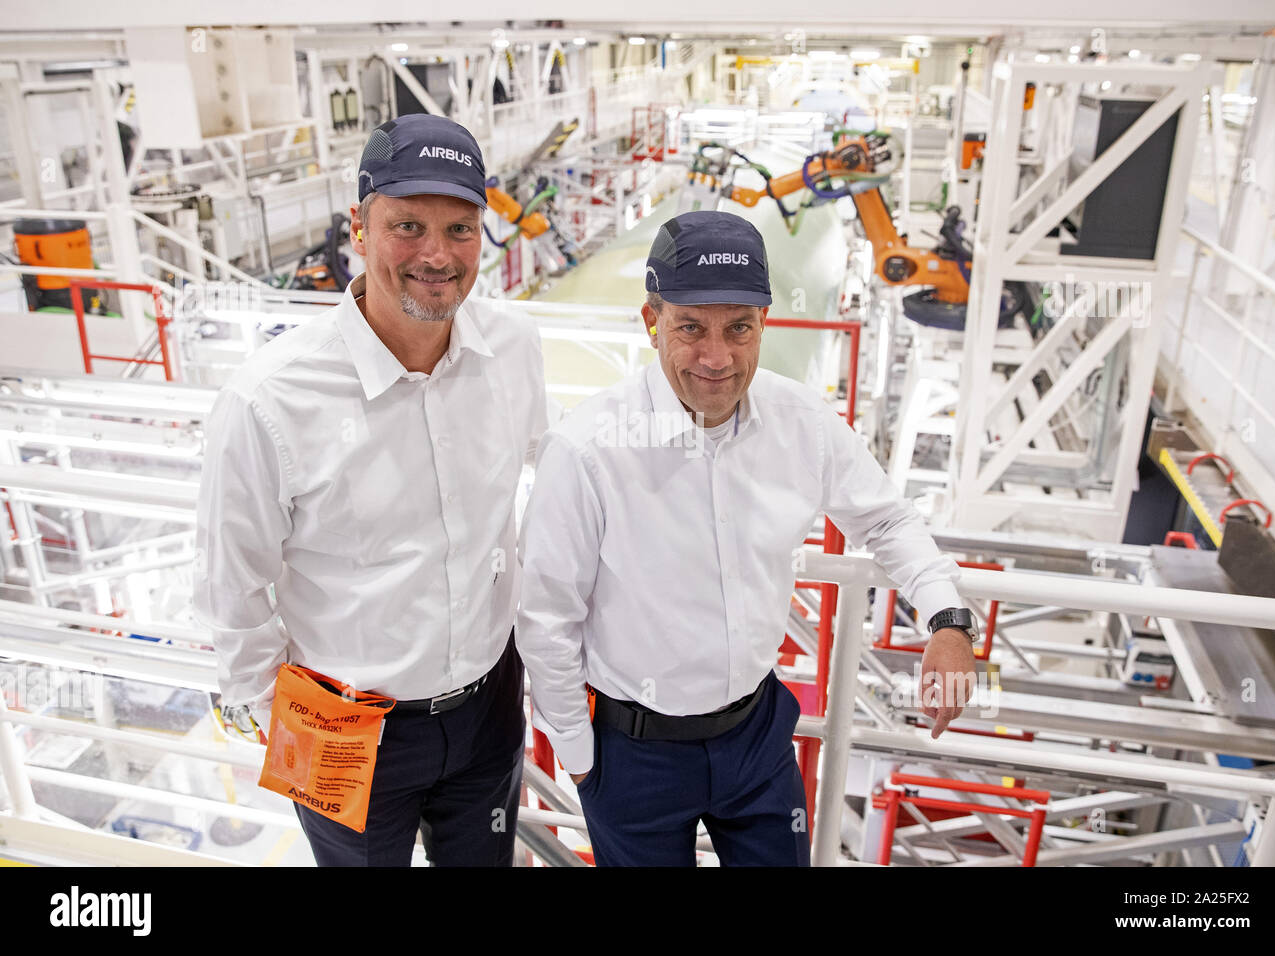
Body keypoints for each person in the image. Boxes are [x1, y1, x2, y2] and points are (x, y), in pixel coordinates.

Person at [516, 210, 977, 867]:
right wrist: (580, 755)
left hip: (756, 738)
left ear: (766, 322)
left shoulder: (802, 423)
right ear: (653, 324)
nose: (717, 357)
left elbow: (887, 519)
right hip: (632, 753)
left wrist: (948, 619)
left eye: (739, 328)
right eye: (690, 328)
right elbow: (546, 616)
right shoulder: (588, 451)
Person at [194, 115, 548, 867]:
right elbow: (233, 585)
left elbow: (551, 491)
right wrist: (282, 721)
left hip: (488, 706)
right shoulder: (270, 400)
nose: (436, 255)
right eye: (407, 225)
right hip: (337, 725)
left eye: (460, 229)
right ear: (358, 227)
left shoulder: (514, 352)